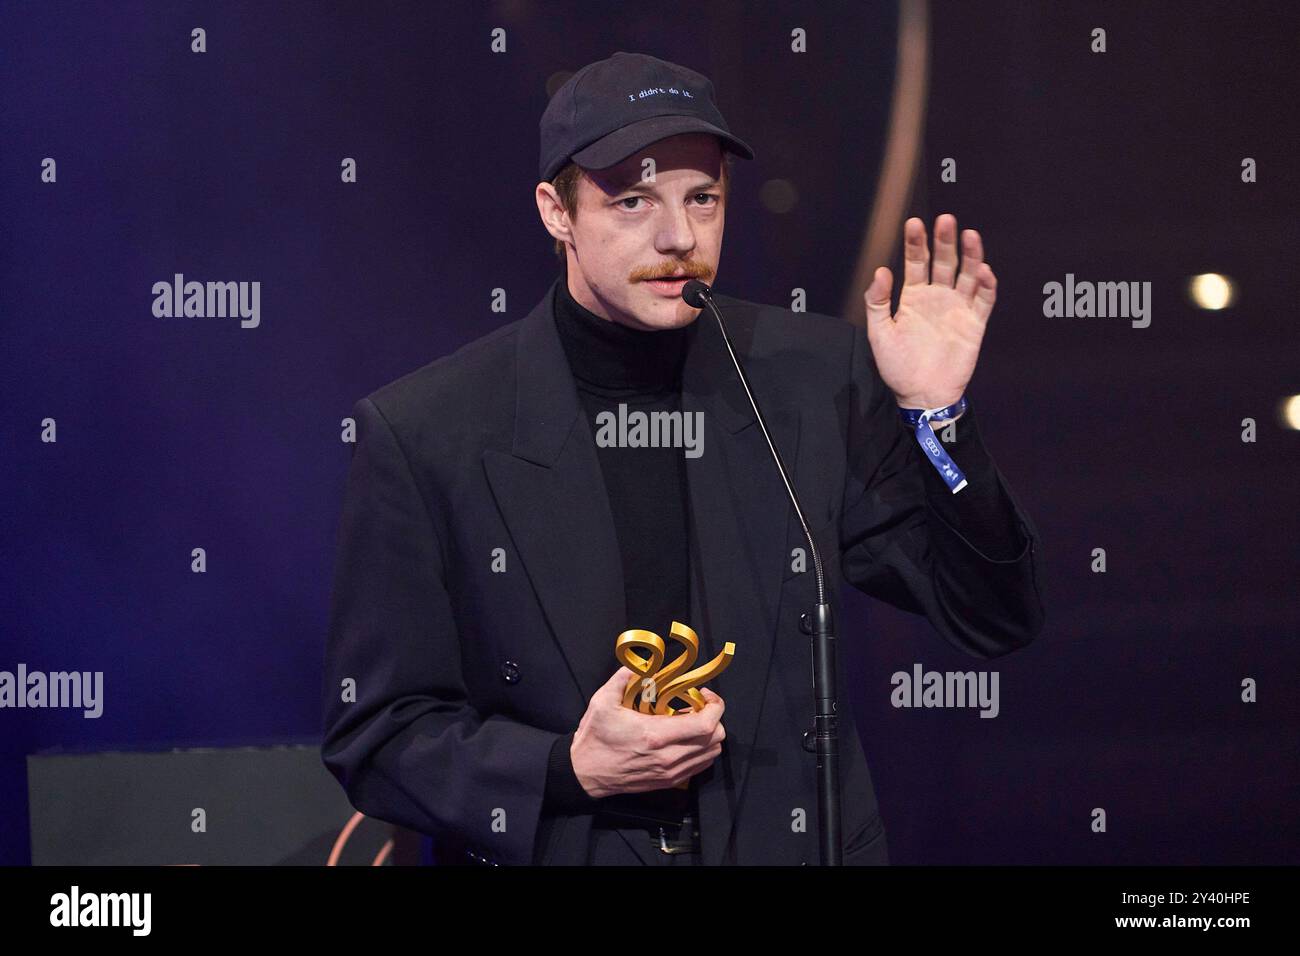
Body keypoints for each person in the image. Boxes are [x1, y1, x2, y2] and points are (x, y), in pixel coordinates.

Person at [321, 51, 1045, 866]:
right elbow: (378, 739)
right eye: (633, 201)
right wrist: (566, 769)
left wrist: (936, 416)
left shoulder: (811, 379)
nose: (680, 237)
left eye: (703, 198)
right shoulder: (427, 430)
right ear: (555, 212)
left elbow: (993, 617)